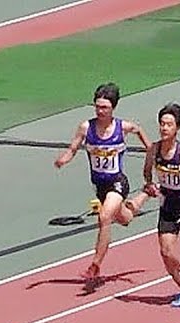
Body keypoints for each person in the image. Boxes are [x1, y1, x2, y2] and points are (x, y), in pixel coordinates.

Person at [54, 83, 151, 282]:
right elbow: (73, 148)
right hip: (100, 186)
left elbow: (138, 129)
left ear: (113, 108)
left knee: (104, 217)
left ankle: (95, 265)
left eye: (104, 107)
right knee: (125, 218)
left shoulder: (121, 127)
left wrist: (151, 149)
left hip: (118, 182)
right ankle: (147, 193)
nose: (100, 111)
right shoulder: (86, 127)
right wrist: (64, 158)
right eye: (97, 107)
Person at [120, 102, 180, 308]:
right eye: (162, 124)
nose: (164, 128)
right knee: (166, 251)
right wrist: (149, 185)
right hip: (168, 206)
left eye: (169, 124)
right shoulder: (153, 150)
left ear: (177, 128)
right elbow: (146, 172)